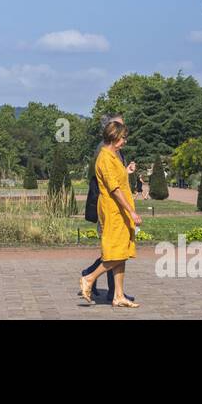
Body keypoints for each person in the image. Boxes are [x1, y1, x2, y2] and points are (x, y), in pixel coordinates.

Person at [79, 120, 141, 308]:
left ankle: (118, 295)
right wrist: (131, 212)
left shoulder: (113, 156)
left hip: (119, 211)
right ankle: (89, 278)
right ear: (114, 138)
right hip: (113, 211)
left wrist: (126, 171)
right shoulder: (105, 157)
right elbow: (114, 189)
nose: (124, 142)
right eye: (123, 138)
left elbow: (117, 178)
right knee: (114, 253)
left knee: (121, 252)